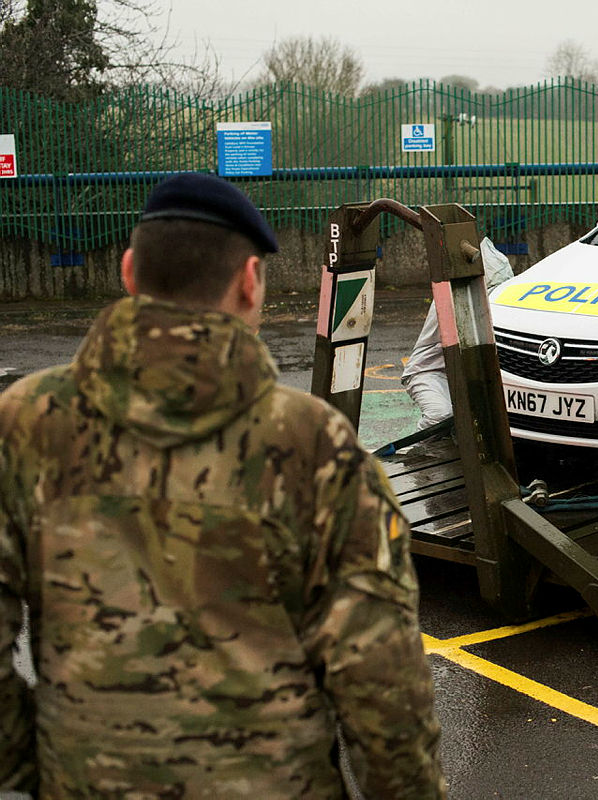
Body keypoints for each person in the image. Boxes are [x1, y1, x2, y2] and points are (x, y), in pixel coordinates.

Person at [0, 173, 446, 798]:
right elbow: (380, 683)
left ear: (129, 272)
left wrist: (41, 766)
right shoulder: (315, 445)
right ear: (248, 281)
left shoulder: (25, 424)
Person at [402, 237, 514, 429]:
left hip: (462, 374)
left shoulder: (476, 298)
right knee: (441, 417)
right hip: (429, 372)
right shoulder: (456, 299)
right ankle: (420, 451)